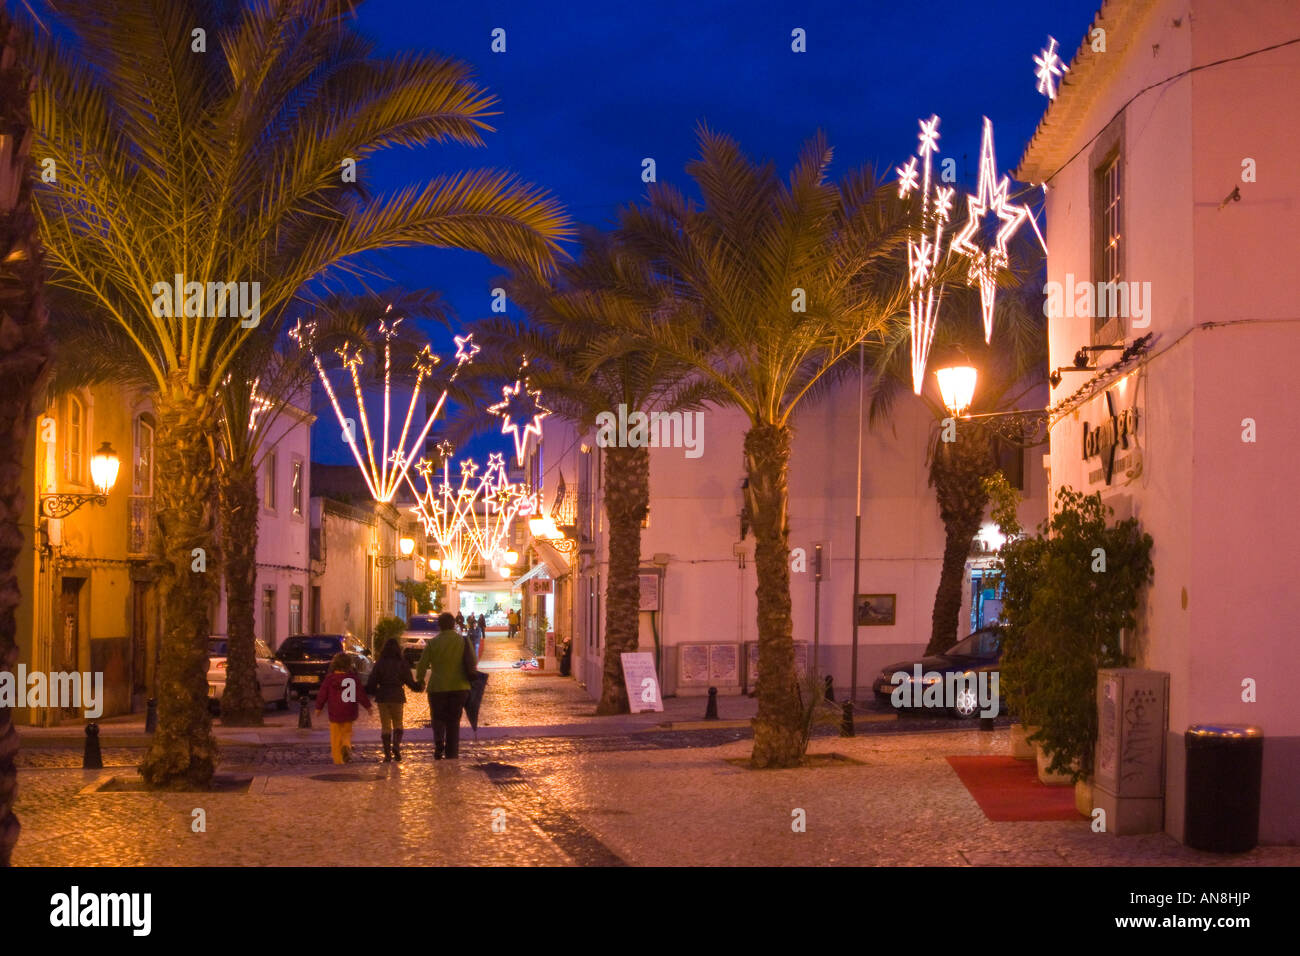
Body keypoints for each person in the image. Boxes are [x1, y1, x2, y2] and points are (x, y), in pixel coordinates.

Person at [416, 611, 477, 760]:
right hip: (460, 687)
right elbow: (473, 661)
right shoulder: (463, 641)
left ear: (439, 626)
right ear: (454, 625)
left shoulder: (433, 643)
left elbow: (421, 665)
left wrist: (420, 680)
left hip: (437, 688)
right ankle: (452, 753)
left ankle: (438, 746)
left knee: (437, 718)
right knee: (453, 721)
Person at [365, 639, 421, 762]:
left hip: (383, 696)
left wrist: (371, 690)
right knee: (398, 723)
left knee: (385, 726)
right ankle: (396, 746)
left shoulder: (380, 663)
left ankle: (387, 755)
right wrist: (418, 686)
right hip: (397, 696)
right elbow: (409, 682)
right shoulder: (402, 663)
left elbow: (372, 681)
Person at [315, 653, 372, 764]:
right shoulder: (353, 679)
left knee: (335, 737)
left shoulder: (330, 679)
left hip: (335, 712)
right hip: (349, 710)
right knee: (347, 732)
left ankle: (338, 760)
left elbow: (322, 694)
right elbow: (360, 694)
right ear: (348, 665)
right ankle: (346, 745)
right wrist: (368, 706)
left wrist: (319, 708)